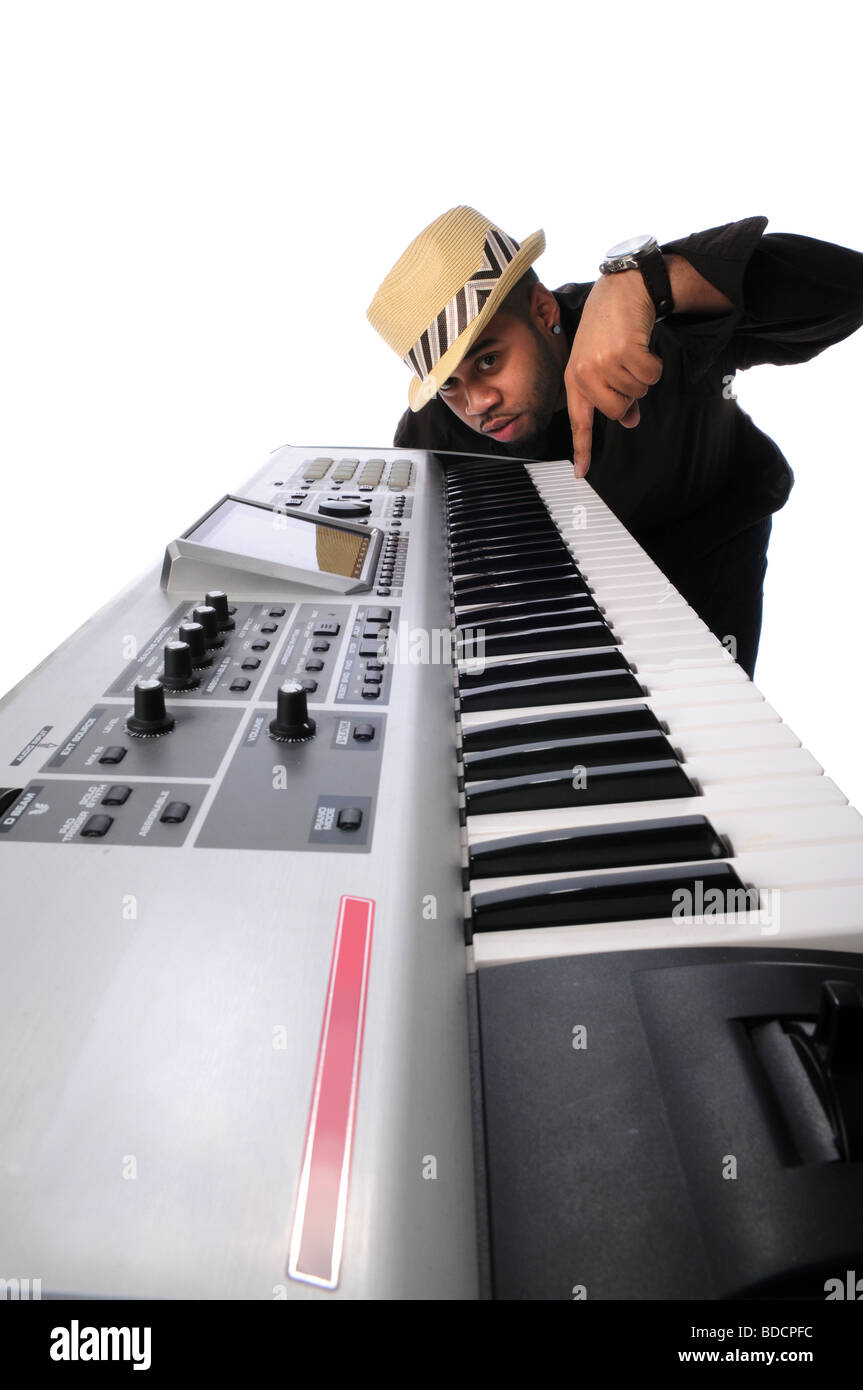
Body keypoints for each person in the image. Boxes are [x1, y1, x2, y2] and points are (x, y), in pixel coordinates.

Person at [366, 207, 863, 676]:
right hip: (560, 595)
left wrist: (648, 284)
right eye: (449, 383)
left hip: (704, 551)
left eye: (489, 361)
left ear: (542, 311)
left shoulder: (652, 331)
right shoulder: (431, 435)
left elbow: (846, 288)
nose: (476, 403)